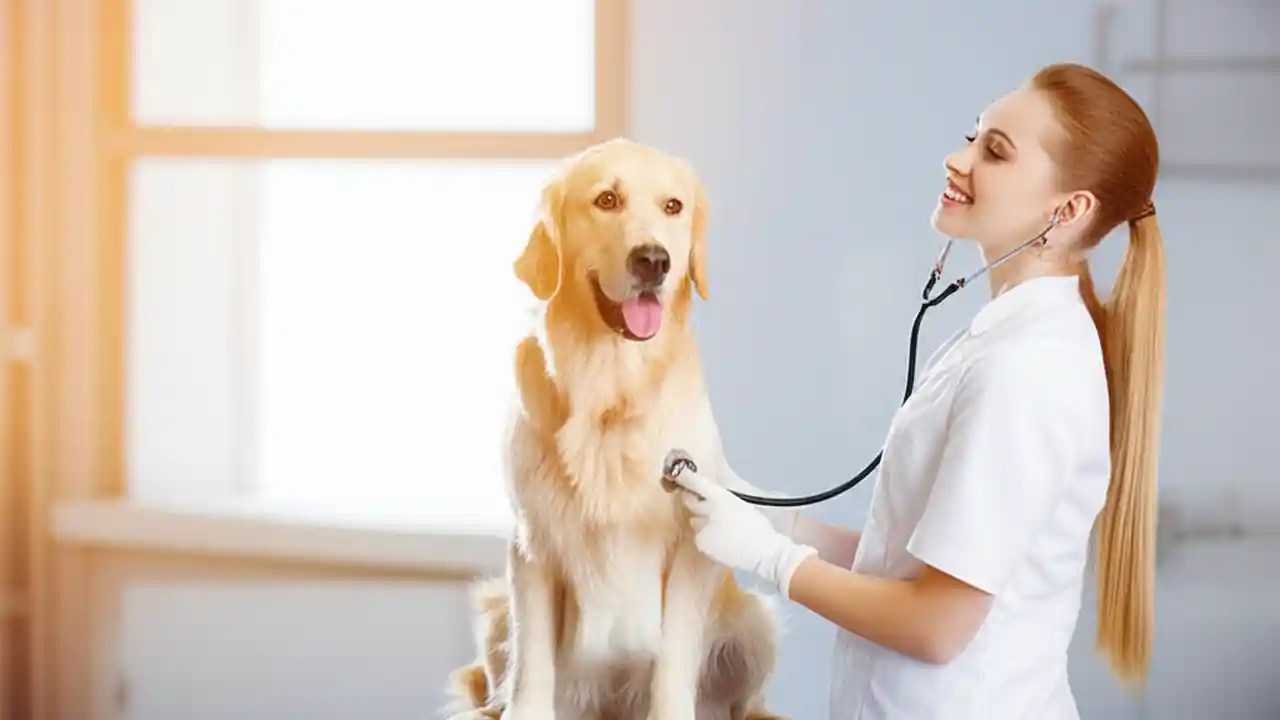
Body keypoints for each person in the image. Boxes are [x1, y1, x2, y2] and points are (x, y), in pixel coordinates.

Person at [667, 62, 1166, 719]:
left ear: (1068, 211)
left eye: (995, 151)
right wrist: (771, 517)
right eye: (973, 135)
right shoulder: (1004, 340)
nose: (956, 160)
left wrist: (773, 558)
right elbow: (914, 561)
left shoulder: (1026, 370)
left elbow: (938, 623)